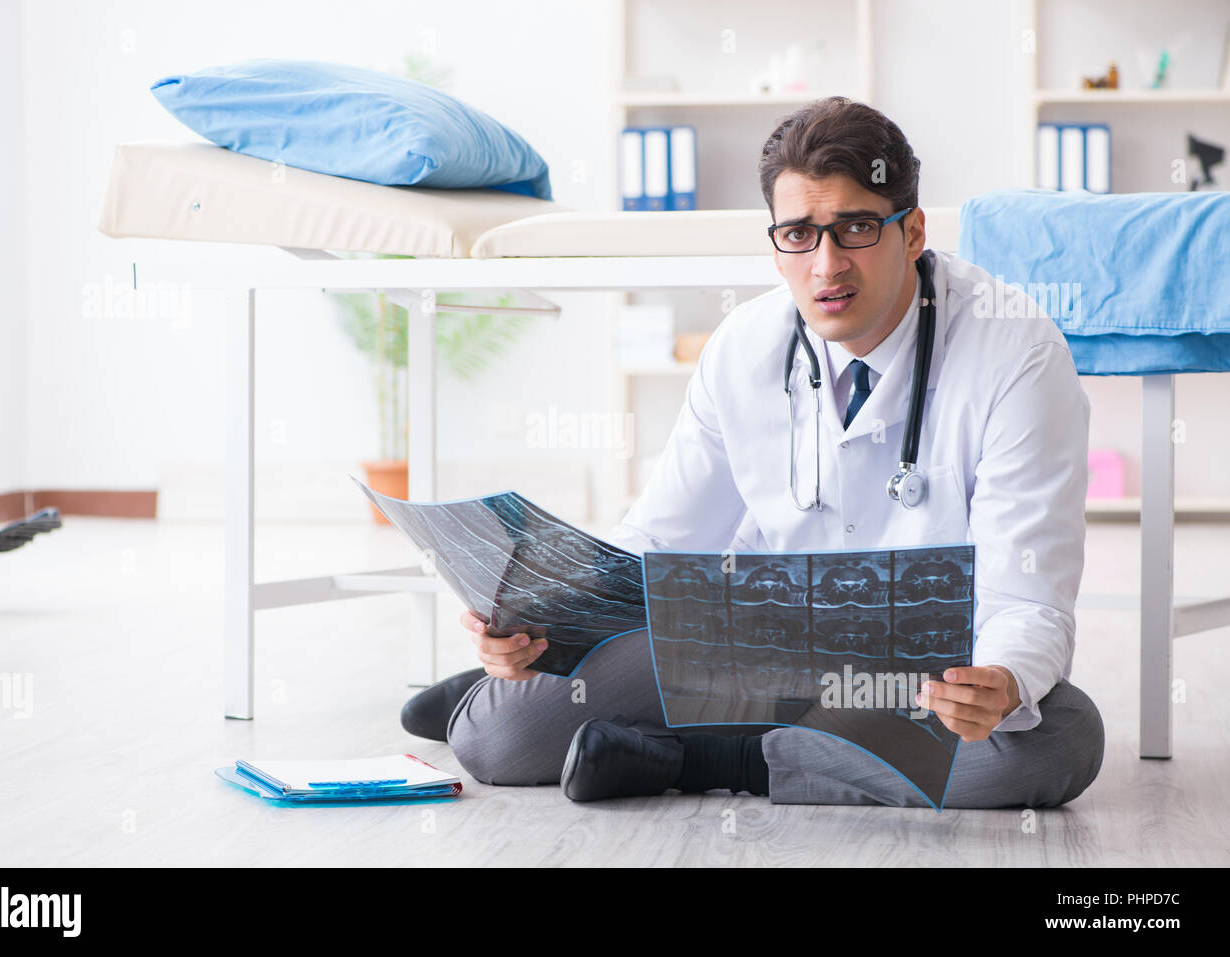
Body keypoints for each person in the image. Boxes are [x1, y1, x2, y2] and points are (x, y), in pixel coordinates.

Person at [400, 96, 1105, 808]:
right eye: (799, 233)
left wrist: (1004, 678)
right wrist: (547, 625)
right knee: (501, 739)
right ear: (775, 245)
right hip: (758, 646)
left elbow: (1028, 594)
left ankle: (702, 758)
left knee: (1056, 742)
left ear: (912, 230)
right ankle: (501, 691)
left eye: (856, 228)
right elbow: (656, 544)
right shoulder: (742, 346)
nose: (826, 264)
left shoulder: (1017, 354)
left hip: (916, 675)